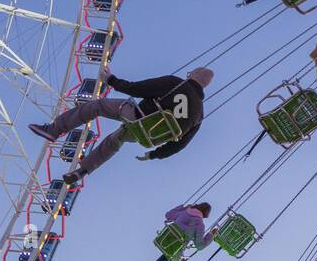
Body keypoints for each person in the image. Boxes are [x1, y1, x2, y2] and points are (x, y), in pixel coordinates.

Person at [28, 68, 214, 183]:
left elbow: (137, 88)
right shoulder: (200, 113)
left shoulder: (175, 83)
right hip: (147, 136)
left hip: (137, 117)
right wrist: (154, 154)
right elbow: (180, 144)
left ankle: (54, 130)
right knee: (116, 140)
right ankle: (82, 171)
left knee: (98, 106)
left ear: (193, 75)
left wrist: (111, 80)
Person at [141, 203, 216, 261]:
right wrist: (211, 235)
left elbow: (168, 215)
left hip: (165, 239)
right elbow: (200, 246)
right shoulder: (200, 225)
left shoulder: (185, 212)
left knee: (172, 252)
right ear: (205, 215)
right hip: (175, 246)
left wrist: (182, 207)